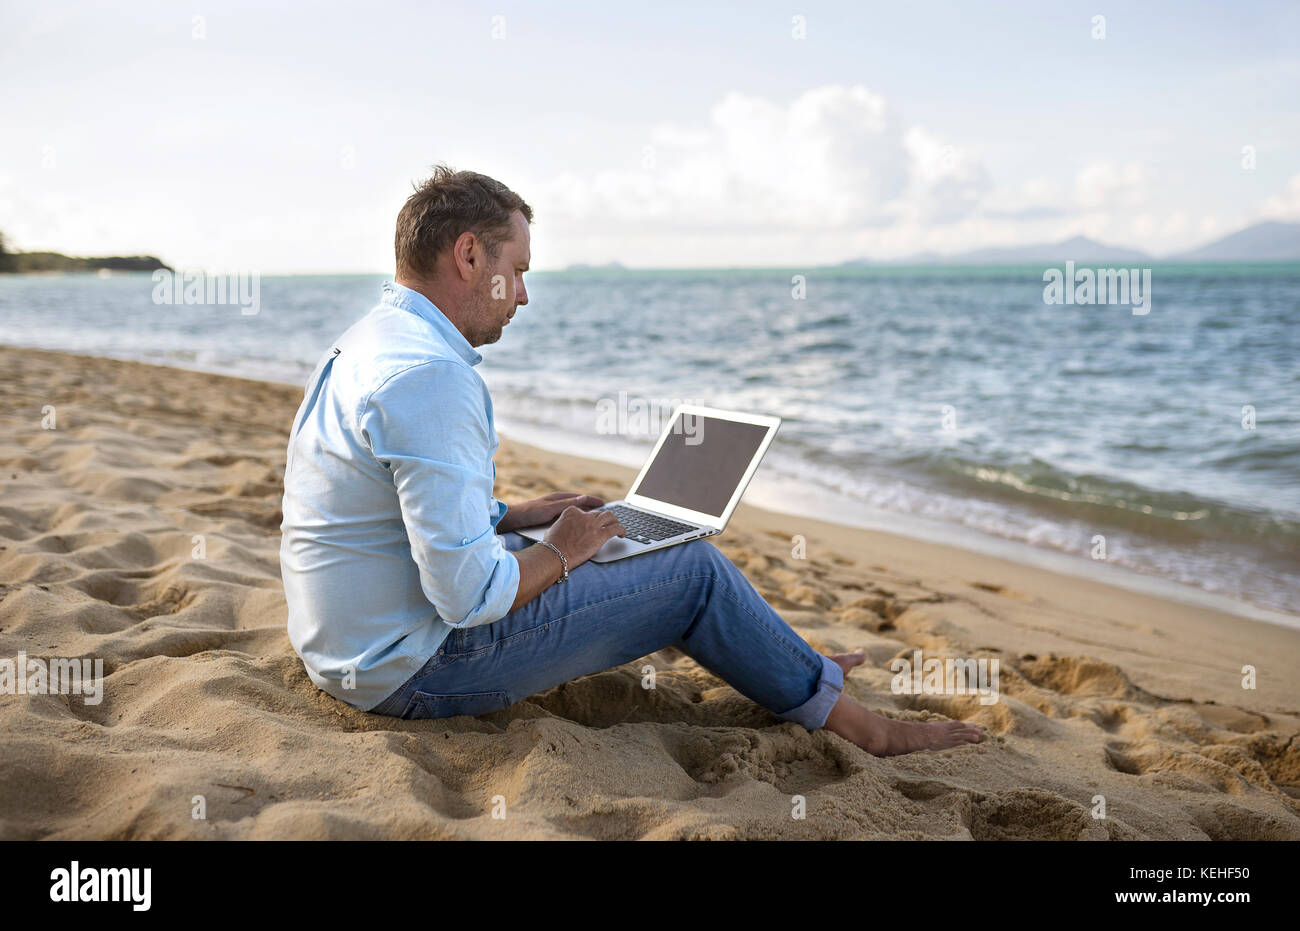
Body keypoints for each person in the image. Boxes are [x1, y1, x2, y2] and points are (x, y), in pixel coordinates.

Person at [279, 166, 983, 756]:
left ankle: (795, 666)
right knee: (692, 572)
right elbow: (467, 598)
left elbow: (389, 505)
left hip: (346, 648)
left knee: (595, 538)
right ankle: (869, 730)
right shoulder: (432, 376)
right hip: (409, 671)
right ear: (469, 256)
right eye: (517, 270)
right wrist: (559, 552)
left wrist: (518, 517)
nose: (523, 293)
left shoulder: (372, 340)